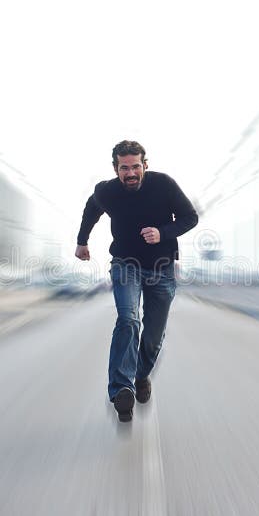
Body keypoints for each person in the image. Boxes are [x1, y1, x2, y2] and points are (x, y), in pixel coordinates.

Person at [75, 140, 198, 422]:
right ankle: (121, 391)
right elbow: (92, 209)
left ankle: (141, 375)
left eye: (135, 167)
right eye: (124, 168)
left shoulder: (164, 184)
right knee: (128, 320)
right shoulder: (107, 191)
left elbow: (190, 217)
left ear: (145, 165)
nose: (130, 173)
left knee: (153, 337)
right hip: (125, 265)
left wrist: (163, 232)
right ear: (116, 168)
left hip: (162, 268)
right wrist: (82, 242)